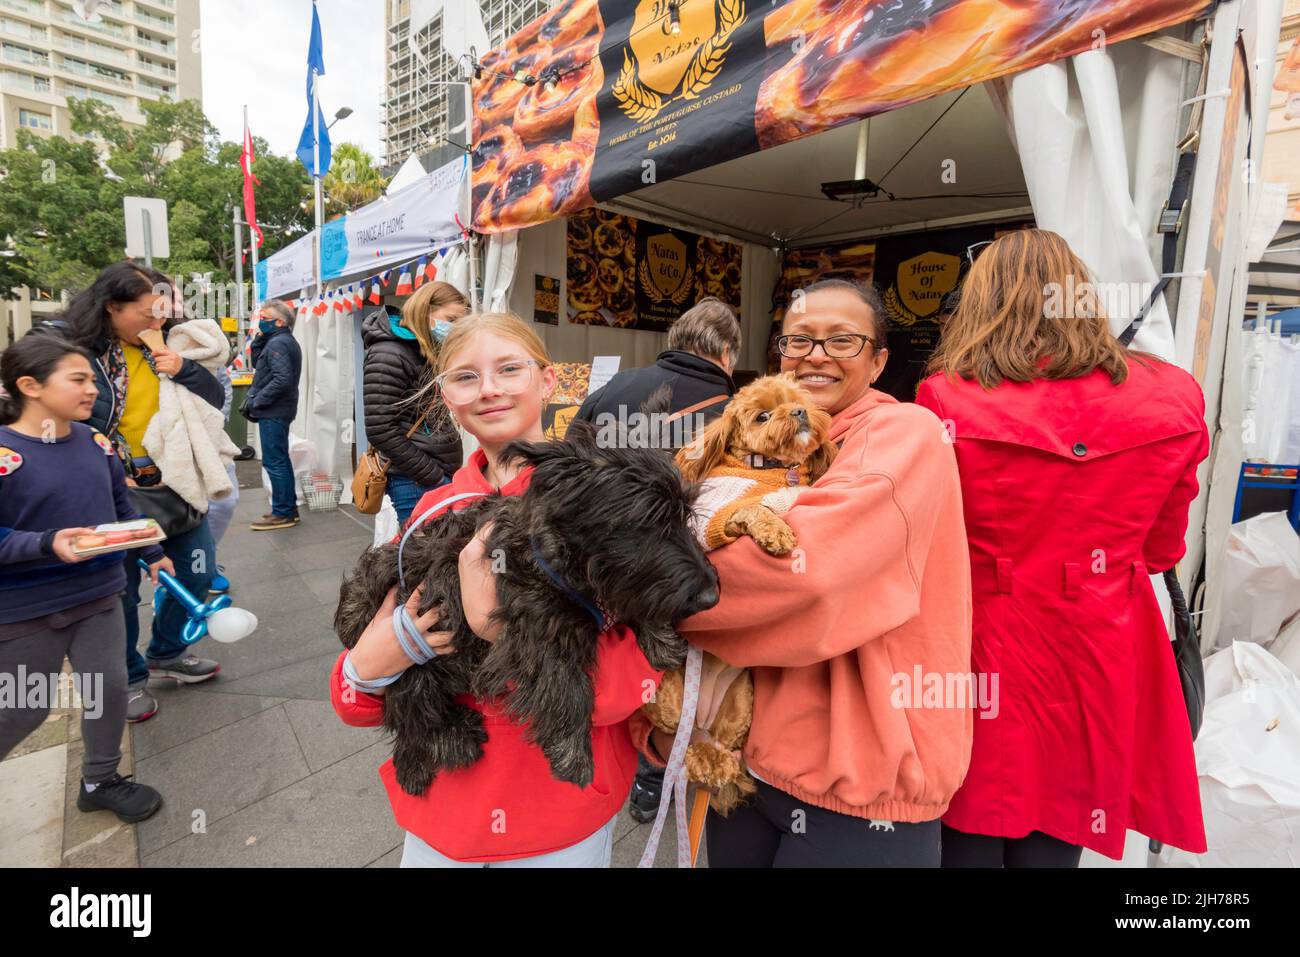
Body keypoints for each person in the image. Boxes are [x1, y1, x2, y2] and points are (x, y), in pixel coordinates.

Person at [629, 279, 973, 867]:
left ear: (879, 360)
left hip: (858, 781)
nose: (816, 354)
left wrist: (647, 583)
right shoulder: (770, 447)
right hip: (752, 757)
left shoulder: (902, 433)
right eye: (799, 340)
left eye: (842, 340)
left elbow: (805, 577)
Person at [915, 229, 1209, 866]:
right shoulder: (1175, 395)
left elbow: (930, 541)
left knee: (973, 815)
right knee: (1070, 810)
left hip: (986, 636)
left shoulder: (947, 395)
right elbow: (1162, 550)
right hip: (1102, 639)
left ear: (982, 300)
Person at [331, 312, 660, 867]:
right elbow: (358, 703)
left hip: (557, 813)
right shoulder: (432, 512)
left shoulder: (603, 508)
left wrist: (498, 630)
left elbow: (620, 693)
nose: (489, 389)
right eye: (465, 377)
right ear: (444, 397)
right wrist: (367, 665)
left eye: (509, 369)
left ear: (548, 381)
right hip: (442, 815)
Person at [573, 296, 740, 823]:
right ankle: (653, 775)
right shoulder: (730, 405)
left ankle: (608, 752)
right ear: (727, 353)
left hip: (603, 557)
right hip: (680, 560)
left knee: (611, 652)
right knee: (671, 661)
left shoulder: (613, 388)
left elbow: (572, 458)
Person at [0, 332, 169, 822]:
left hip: (99, 597)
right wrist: (44, 542)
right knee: (24, 709)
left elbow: (122, 508)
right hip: (24, 612)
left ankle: (100, 779)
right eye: (78, 379)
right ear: (30, 385)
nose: (92, 389)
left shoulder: (97, 442)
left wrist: (152, 551)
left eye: (92, 379)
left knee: (107, 689)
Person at [60, 261, 224, 722]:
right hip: (112, 491)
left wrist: (186, 371)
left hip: (176, 484)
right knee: (123, 591)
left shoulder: (171, 348)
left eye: (164, 312)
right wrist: (108, 467)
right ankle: (128, 677)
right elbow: (64, 419)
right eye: (148, 313)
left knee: (197, 573)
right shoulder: (77, 357)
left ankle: (167, 651)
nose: (158, 323)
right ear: (112, 306)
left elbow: (214, 403)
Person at [361, 281, 468, 526]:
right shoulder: (390, 352)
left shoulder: (420, 349)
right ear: (425, 310)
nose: (453, 327)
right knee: (420, 553)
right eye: (451, 318)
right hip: (415, 479)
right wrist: (433, 476)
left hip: (430, 473)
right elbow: (380, 429)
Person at [243, 299, 303, 531]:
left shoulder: (279, 343)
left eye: (265, 319)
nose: (260, 322)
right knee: (280, 460)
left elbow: (282, 379)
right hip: (278, 409)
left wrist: (258, 400)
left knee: (275, 461)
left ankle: (283, 512)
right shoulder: (279, 341)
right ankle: (288, 509)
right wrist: (259, 339)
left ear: (280, 322)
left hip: (274, 410)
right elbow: (260, 362)